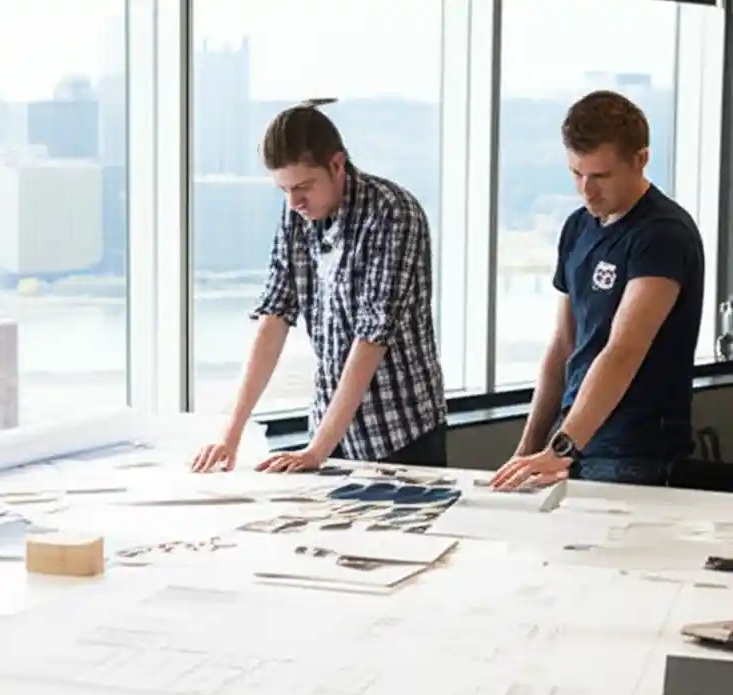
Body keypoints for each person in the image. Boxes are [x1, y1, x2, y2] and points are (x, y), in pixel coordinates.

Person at [192, 101, 447, 474]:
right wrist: (230, 435)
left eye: (303, 187)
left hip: (401, 432)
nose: (294, 202)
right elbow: (275, 314)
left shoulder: (393, 214)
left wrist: (316, 451)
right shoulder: (299, 211)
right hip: (331, 429)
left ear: (337, 165)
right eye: (283, 190)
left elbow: (372, 338)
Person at [492, 90, 704, 490]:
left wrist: (561, 450)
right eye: (576, 174)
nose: (586, 191)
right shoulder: (577, 226)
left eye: (601, 176)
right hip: (575, 440)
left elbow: (624, 349)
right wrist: (530, 446)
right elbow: (563, 346)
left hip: (636, 451)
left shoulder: (662, 234)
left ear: (640, 159)